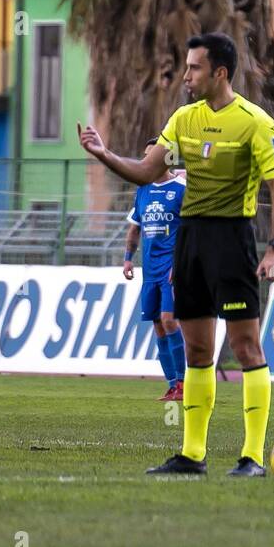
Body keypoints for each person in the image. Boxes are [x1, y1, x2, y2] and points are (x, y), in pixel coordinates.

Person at [79, 31, 274, 477]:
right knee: (197, 350)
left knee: (246, 346)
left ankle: (252, 457)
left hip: (232, 241)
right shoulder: (183, 120)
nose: (187, 75)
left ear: (220, 73)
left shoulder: (255, 122)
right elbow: (145, 171)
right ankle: (192, 455)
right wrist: (104, 154)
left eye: (195, 67)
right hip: (189, 241)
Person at [123, 145, 186, 401]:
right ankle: (172, 385)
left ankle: (184, 383)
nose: (145, 159)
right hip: (149, 270)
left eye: (151, 154)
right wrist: (128, 259)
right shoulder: (143, 190)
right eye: (145, 154)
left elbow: (192, 229)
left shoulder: (182, 189)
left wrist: (180, 263)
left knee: (170, 319)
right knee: (158, 326)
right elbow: (135, 228)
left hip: (172, 269)